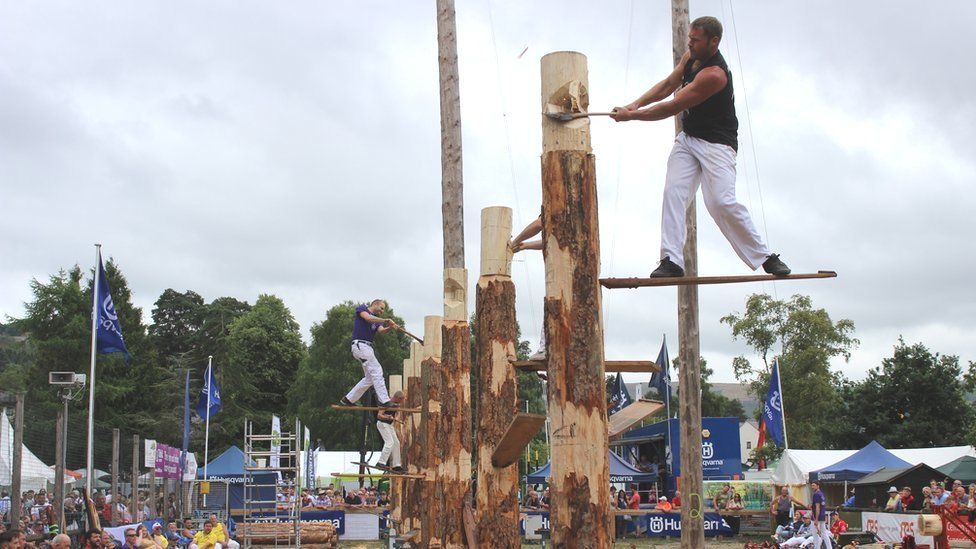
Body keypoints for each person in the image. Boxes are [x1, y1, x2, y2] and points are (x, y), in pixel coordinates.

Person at [610, 16, 790, 279]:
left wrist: (632, 117)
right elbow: (668, 85)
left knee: (720, 202)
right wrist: (634, 105)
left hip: (718, 144)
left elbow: (673, 105)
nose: (690, 44)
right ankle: (671, 260)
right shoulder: (690, 58)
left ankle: (765, 257)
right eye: (689, 39)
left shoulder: (714, 75)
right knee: (674, 192)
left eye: (695, 40)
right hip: (689, 139)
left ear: (713, 41)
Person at [340, 299, 400, 408]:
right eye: (381, 308)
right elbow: (368, 318)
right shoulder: (362, 308)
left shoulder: (377, 320)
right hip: (361, 345)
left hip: (367, 347)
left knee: (369, 378)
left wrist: (390, 327)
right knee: (377, 371)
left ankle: (348, 399)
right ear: (375, 304)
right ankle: (384, 401)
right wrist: (386, 320)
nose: (382, 311)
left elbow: (381, 331)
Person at [374, 391, 404, 473]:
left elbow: (396, 413)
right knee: (389, 442)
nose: (401, 403)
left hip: (389, 425)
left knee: (396, 443)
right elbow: (379, 415)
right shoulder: (386, 402)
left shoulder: (396, 404)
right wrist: (387, 417)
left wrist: (396, 417)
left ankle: (396, 465)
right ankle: (381, 462)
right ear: (398, 398)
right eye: (401, 400)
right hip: (382, 423)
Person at [809, 480, 830, 549]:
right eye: (812, 485)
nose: (812, 487)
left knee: (815, 535)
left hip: (816, 517)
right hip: (822, 516)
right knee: (824, 534)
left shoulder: (816, 494)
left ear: (818, 486)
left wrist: (816, 519)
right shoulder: (821, 494)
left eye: (814, 485)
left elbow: (817, 508)